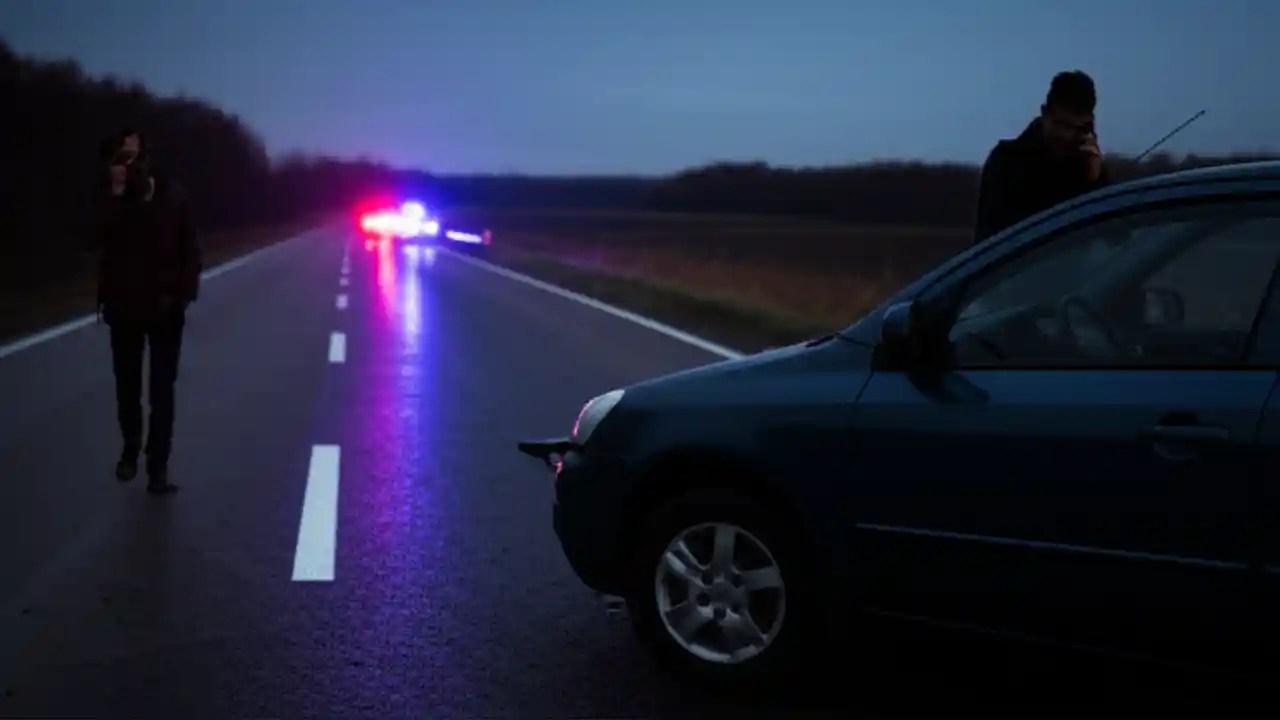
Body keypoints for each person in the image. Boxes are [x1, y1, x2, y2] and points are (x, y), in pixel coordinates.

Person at [92, 128, 201, 495]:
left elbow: (191, 251)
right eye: (121, 157)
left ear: (147, 158)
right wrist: (116, 194)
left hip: (165, 309)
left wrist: (182, 296)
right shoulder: (111, 197)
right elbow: (95, 240)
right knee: (126, 386)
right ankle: (130, 445)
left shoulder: (173, 195)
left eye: (133, 156)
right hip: (123, 308)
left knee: (162, 391)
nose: (128, 164)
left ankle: (158, 468)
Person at [973, 70, 1111, 245]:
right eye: (1060, 124)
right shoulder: (1007, 160)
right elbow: (989, 238)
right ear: (1045, 113)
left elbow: (1116, 237)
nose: (1066, 135)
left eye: (1076, 127)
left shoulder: (1090, 166)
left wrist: (1096, 181)